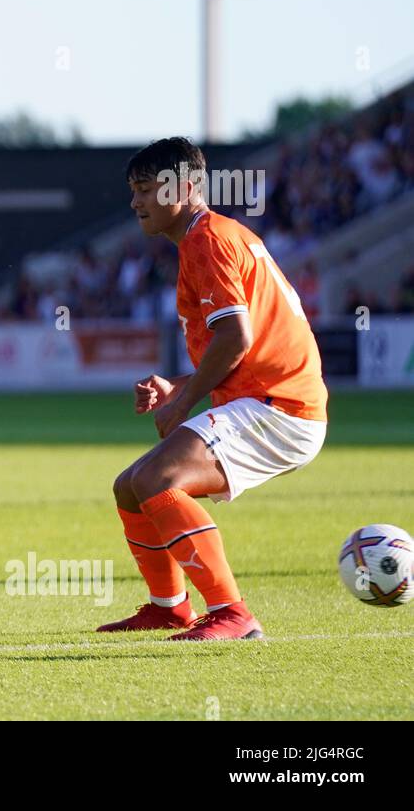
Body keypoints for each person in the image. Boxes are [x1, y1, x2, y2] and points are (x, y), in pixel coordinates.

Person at [102, 137, 327, 640]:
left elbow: (236, 336)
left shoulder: (208, 240)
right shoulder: (210, 237)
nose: (135, 202)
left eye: (144, 189)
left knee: (157, 478)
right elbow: (238, 348)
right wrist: (178, 384)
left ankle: (232, 613)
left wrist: (184, 400)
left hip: (281, 406)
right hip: (265, 398)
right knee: (130, 487)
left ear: (181, 189)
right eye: (132, 190)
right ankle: (169, 606)